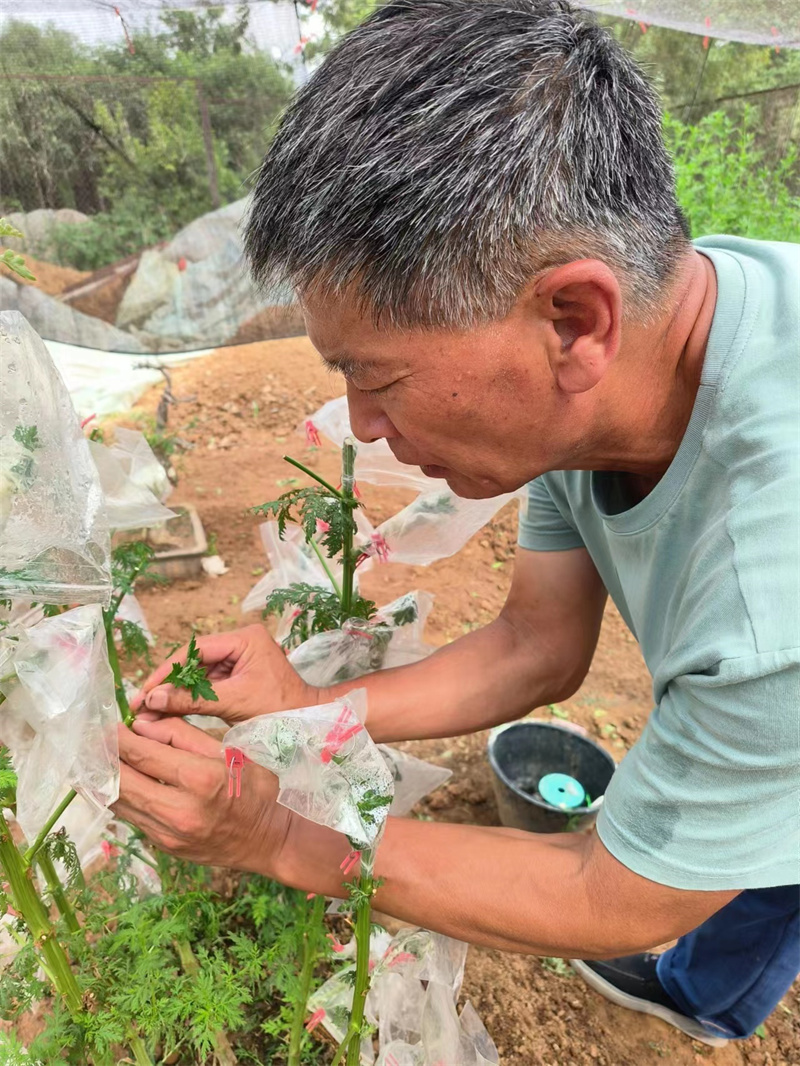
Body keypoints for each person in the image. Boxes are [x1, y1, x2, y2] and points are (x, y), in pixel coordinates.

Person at [115, 0, 800, 1048]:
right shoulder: (635, 359)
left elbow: (609, 892)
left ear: (573, 321)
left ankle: (704, 993)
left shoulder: (771, 582)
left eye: (375, 377)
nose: (360, 426)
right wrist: (311, 709)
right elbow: (535, 643)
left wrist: (276, 836)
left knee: (745, 864)